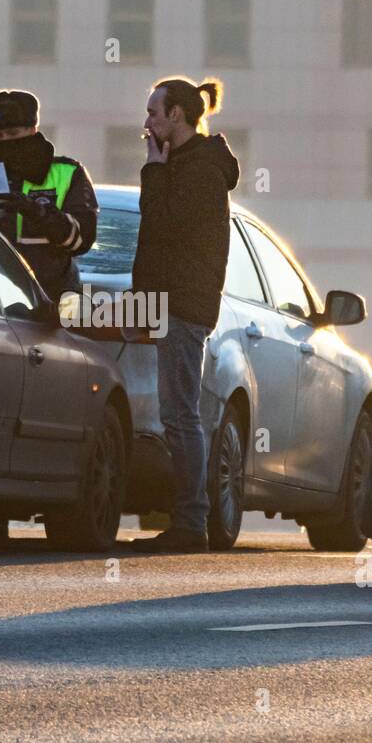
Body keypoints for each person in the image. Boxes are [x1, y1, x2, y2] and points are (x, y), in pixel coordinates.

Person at [129, 76, 240, 554]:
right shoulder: (183, 164)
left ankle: (191, 522)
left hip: (182, 303)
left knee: (181, 415)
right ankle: (189, 518)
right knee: (176, 413)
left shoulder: (198, 170)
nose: (148, 121)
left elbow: (164, 226)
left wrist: (154, 171)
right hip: (166, 301)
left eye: (155, 112)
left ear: (177, 115)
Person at [0, 90, 98, 302]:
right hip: (0, 299)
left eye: (13, 133)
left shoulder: (68, 172)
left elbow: (83, 240)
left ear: (33, 129)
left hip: (56, 298)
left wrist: (40, 214)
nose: (5, 141)